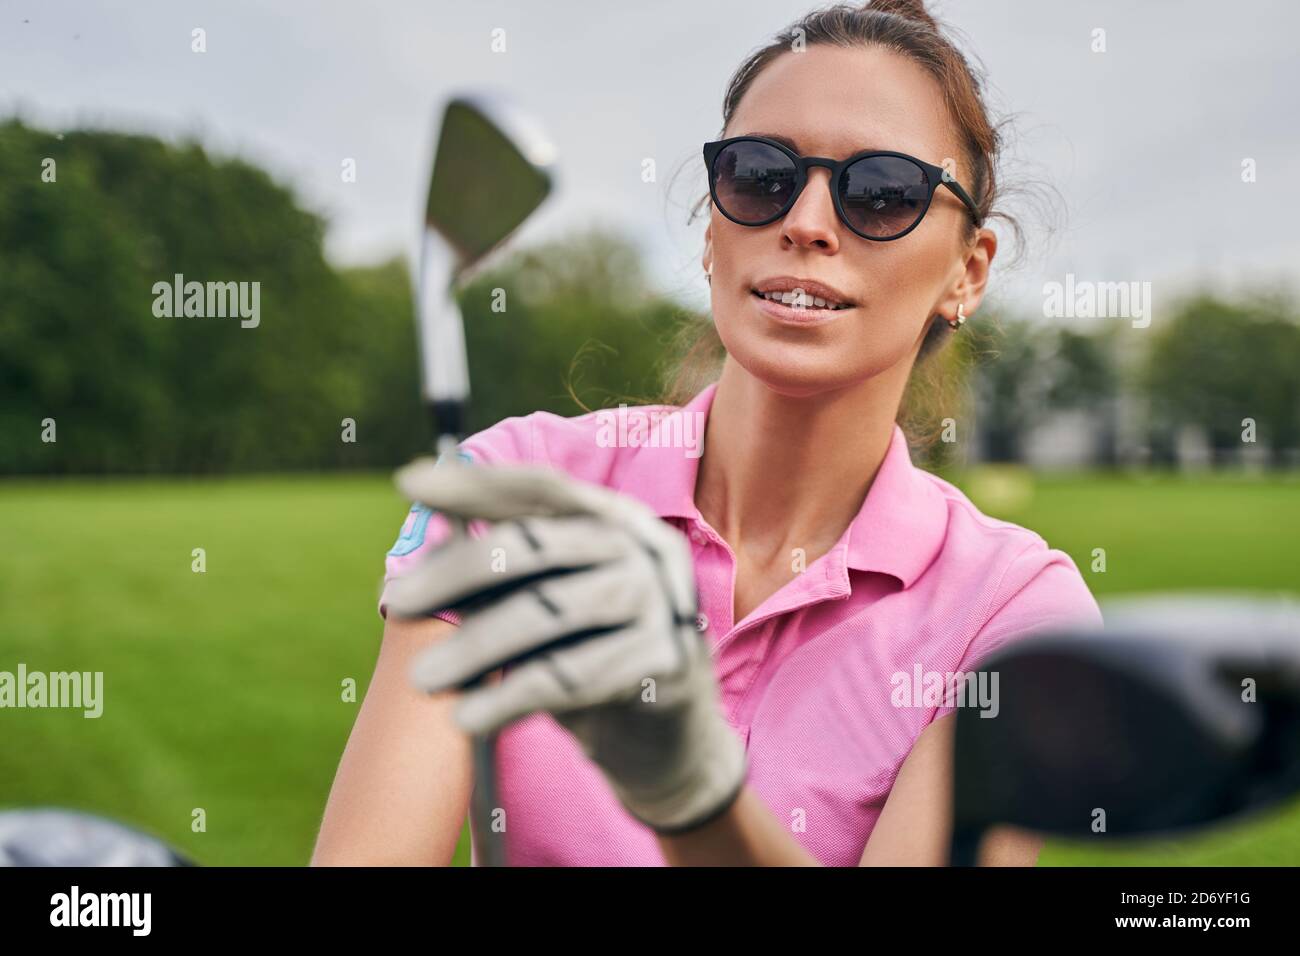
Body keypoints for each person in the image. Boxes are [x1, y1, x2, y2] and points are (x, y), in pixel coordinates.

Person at [311, 0, 1101, 867]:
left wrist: (694, 798)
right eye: (760, 176)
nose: (804, 222)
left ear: (968, 270)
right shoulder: (518, 483)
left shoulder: (1013, 612)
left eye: (882, 194)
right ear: (710, 233)